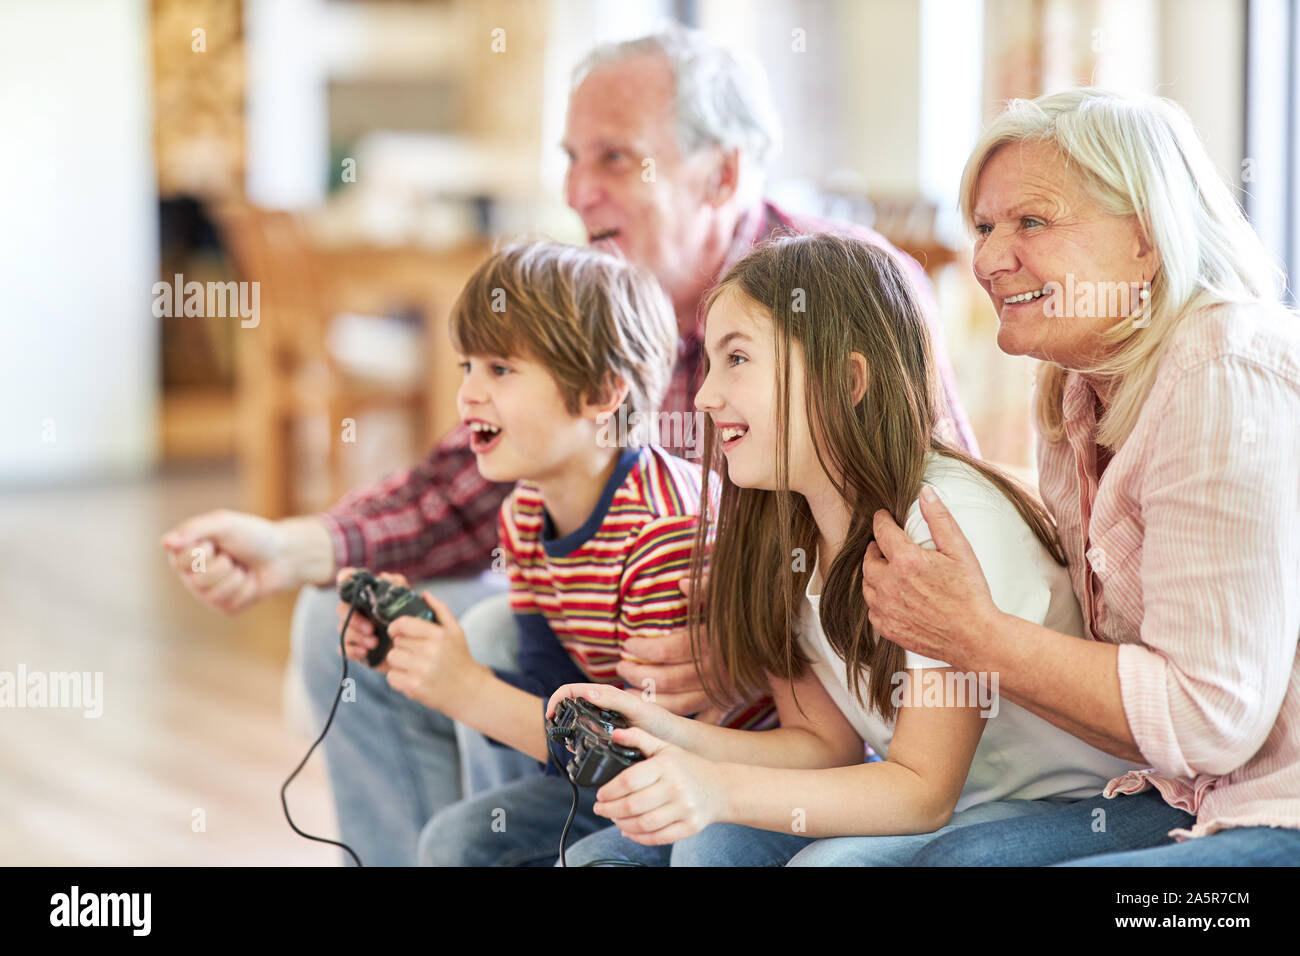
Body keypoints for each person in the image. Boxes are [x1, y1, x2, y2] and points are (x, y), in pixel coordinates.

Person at [160, 23, 976, 866]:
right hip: (629, 658)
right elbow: (465, 483)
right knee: (339, 616)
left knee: (489, 648)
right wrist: (292, 546)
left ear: (722, 172)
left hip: (786, 698)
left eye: (616, 158)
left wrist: (751, 632)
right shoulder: (594, 299)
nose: (579, 191)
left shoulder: (841, 289)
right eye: (571, 158)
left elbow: (926, 504)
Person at [549, 233, 1134, 867]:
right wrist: (659, 731)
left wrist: (716, 787)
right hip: (943, 800)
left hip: (1076, 806)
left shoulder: (944, 524)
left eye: (737, 358)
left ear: (845, 380)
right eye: (711, 363)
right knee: (678, 846)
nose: (704, 396)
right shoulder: (784, 528)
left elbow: (922, 792)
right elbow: (822, 745)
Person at [852, 88, 1300, 866]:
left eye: (1032, 222)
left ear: (1146, 239)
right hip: (1177, 790)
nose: (989, 259)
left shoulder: (1224, 366)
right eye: (986, 227)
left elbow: (1211, 716)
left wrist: (977, 637)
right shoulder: (1071, 387)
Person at [337, 240, 774, 866]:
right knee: (455, 844)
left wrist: (467, 691)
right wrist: (428, 655)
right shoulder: (524, 516)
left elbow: (635, 756)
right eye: (466, 367)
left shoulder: (660, 531)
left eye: (501, 370)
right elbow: (552, 690)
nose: (467, 397)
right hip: (624, 778)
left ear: (602, 393)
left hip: (705, 791)